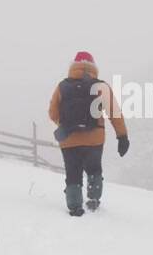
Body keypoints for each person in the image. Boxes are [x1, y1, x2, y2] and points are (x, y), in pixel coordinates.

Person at [48, 51, 129, 216]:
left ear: (73, 66)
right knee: (94, 170)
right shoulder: (101, 86)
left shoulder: (62, 86)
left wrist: (67, 124)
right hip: (94, 138)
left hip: (69, 139)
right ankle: (93, 201)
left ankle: (74, 206)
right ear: (93, 66)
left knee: (73, 172)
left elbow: (52, 112)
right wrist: (122, 136)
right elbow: (114, 113)